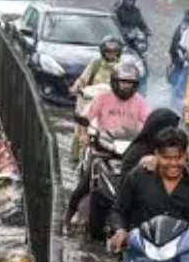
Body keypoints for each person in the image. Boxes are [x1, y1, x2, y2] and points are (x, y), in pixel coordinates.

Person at [108, 127, 189, 253]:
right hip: (144, 252)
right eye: (167, 158)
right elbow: (118, 211)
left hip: (187, 253)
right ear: (156, 154)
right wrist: (120, 230)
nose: (173, 163)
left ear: (186, 154)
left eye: (179, 157)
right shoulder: (138, 177)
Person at [64, 63, 152, 224]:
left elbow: (149, 121)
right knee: (85, 182)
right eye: (123, 82)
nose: (126, 87)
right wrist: (83, 136)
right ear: (114, 82)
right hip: (103, 147)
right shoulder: (103, 99)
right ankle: (69, 212)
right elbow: (85, 117)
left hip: (128, 148)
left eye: (130, 84)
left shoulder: (140, 102)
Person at [70, 34, 125, 161]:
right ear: (103, 52)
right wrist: (76, 86)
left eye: (114, 52)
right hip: (89, 100)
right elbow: (83, 79)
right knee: (80, 126)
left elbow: (125, 85)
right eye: (108, 52)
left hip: (110, 103)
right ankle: (75, 157)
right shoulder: (96, 63)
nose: (111, 54)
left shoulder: (121, 67)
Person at [168, 9, 189, 107]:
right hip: (182, 62)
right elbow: (179, 48)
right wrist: (184, 59)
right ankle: (174, 103)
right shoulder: (184, 32)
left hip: (188, 63)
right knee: (180, 83)